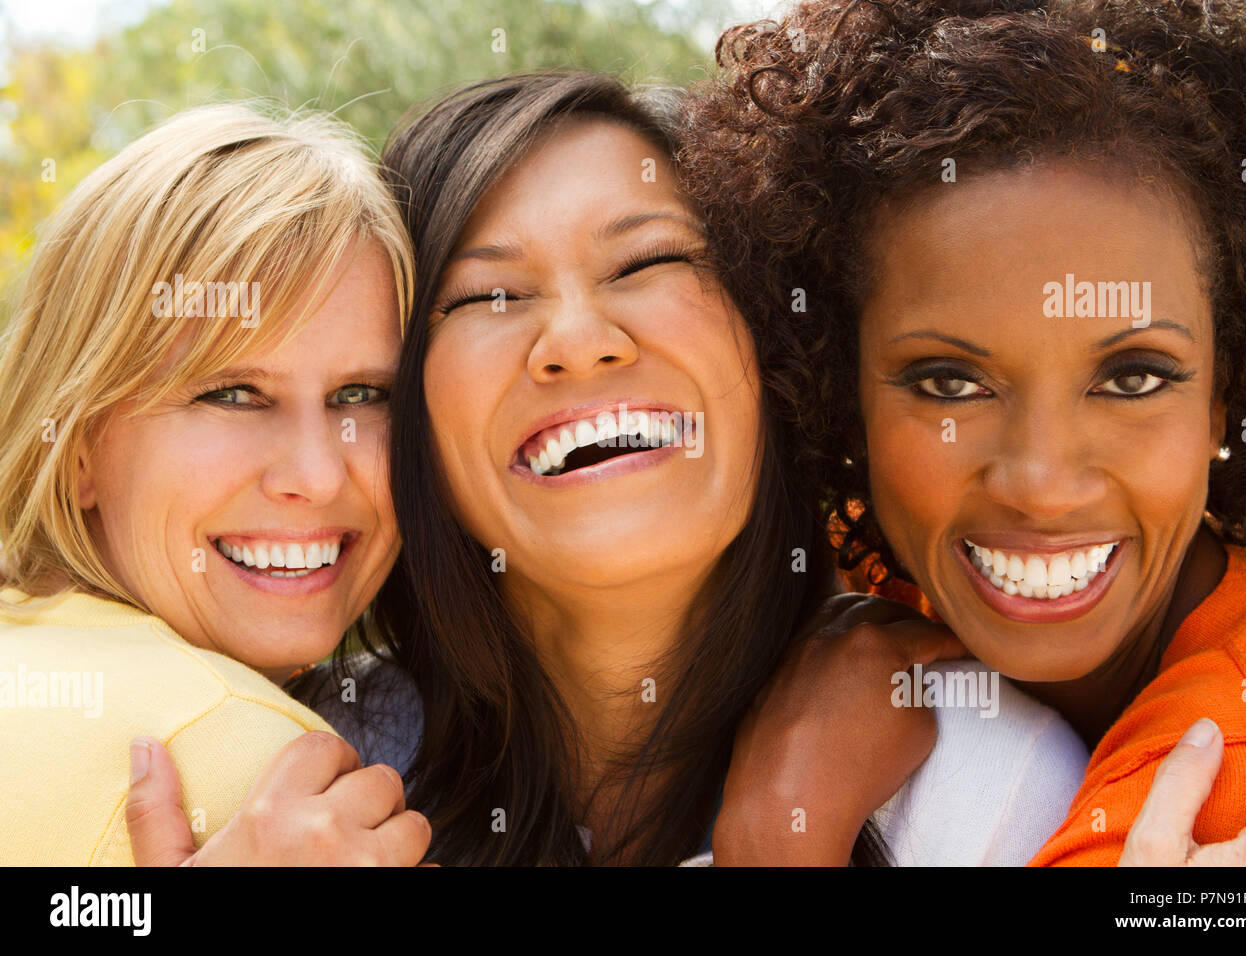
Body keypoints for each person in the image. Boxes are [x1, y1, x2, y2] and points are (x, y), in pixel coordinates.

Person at [292, 70, 1091, 866]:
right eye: (489, 296)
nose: (577, 339)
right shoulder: (297, 779)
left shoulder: (984, 786)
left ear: (773, 345)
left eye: (646, 262)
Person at [677, 0, 1246, 864]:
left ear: (1226, 399)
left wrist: (781, 828)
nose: (1041, 483)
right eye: (951, 385)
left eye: (1132, 379)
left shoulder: (1235, 789)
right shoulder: (827, 564)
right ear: (838, 391)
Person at [0, 103, 428, 865]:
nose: (318, 474)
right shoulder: (273, 786)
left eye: (362, 395)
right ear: (76, 448)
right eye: (232, 394)